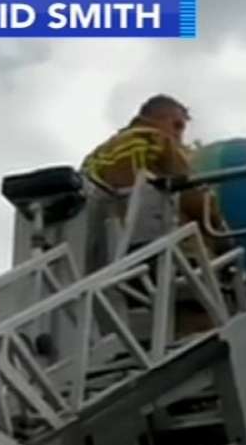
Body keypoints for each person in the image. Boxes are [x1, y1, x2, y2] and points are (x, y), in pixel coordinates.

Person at [81, 94, 228, 333]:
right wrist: (220, 230)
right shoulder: (156, 140)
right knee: (201, 323)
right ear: (160, 118)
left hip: (110, 255)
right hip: (173, 249)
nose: (180, 135)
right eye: (178, 125)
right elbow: (191, 194)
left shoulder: (95, 157)